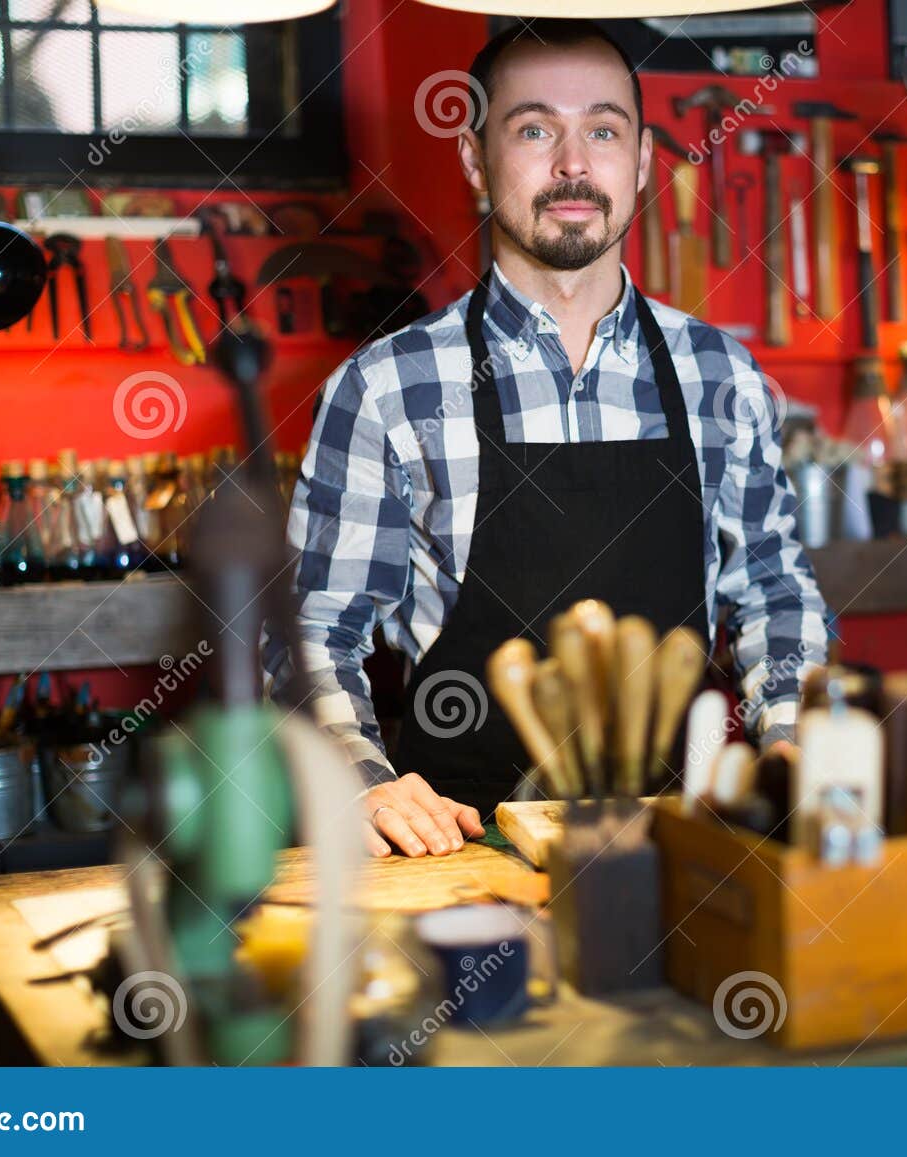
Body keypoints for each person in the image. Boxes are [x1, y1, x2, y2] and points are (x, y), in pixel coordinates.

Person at [268, 19, 830, 858]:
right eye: (535, 129)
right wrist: (365, 780)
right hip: (461, 852)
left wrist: (790, 745)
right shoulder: (388, 386)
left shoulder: (721, 374)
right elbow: (313, 632)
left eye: (603, 130)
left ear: (641, 159)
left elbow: (775, 594)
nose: (574, 165)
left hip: (682, 849)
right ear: (474, 158)